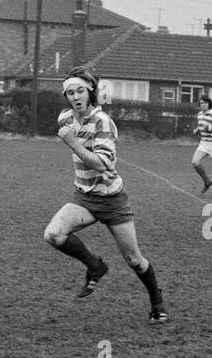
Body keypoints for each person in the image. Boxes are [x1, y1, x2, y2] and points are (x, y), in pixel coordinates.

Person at [43, 66, 167, 322]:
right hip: (84, 197)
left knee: (134, 259)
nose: (75, 97)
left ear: (90, 91)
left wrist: (73, 143)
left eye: (80, 91)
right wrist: (75, 141)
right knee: (53, 234)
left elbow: (100, 163)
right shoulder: (64, 118)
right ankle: (95, 266)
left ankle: (157, 303)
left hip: (112, 201)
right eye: (70, 93)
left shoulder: (103, 121)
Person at [190, 96, 212, 193]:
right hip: (204, 143)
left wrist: (209, 127)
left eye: (205, 103)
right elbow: (201, 125)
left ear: (209, 104)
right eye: (201, 103)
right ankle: (207, 181)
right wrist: (197, 129)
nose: (203, 104)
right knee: (195, 162)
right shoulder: (199, 114)